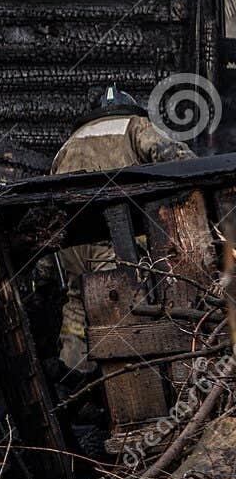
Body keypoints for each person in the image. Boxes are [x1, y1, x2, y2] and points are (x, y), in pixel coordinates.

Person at [51, 85, 193, 372]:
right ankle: (127, 380)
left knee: (79, 306)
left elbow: (47, 209)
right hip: (114, 235)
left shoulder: (68, 145)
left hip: (71, 246)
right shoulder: (134, 125)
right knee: (121, 303)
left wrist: (43, 272)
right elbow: (175, 157)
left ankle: (75, 377)